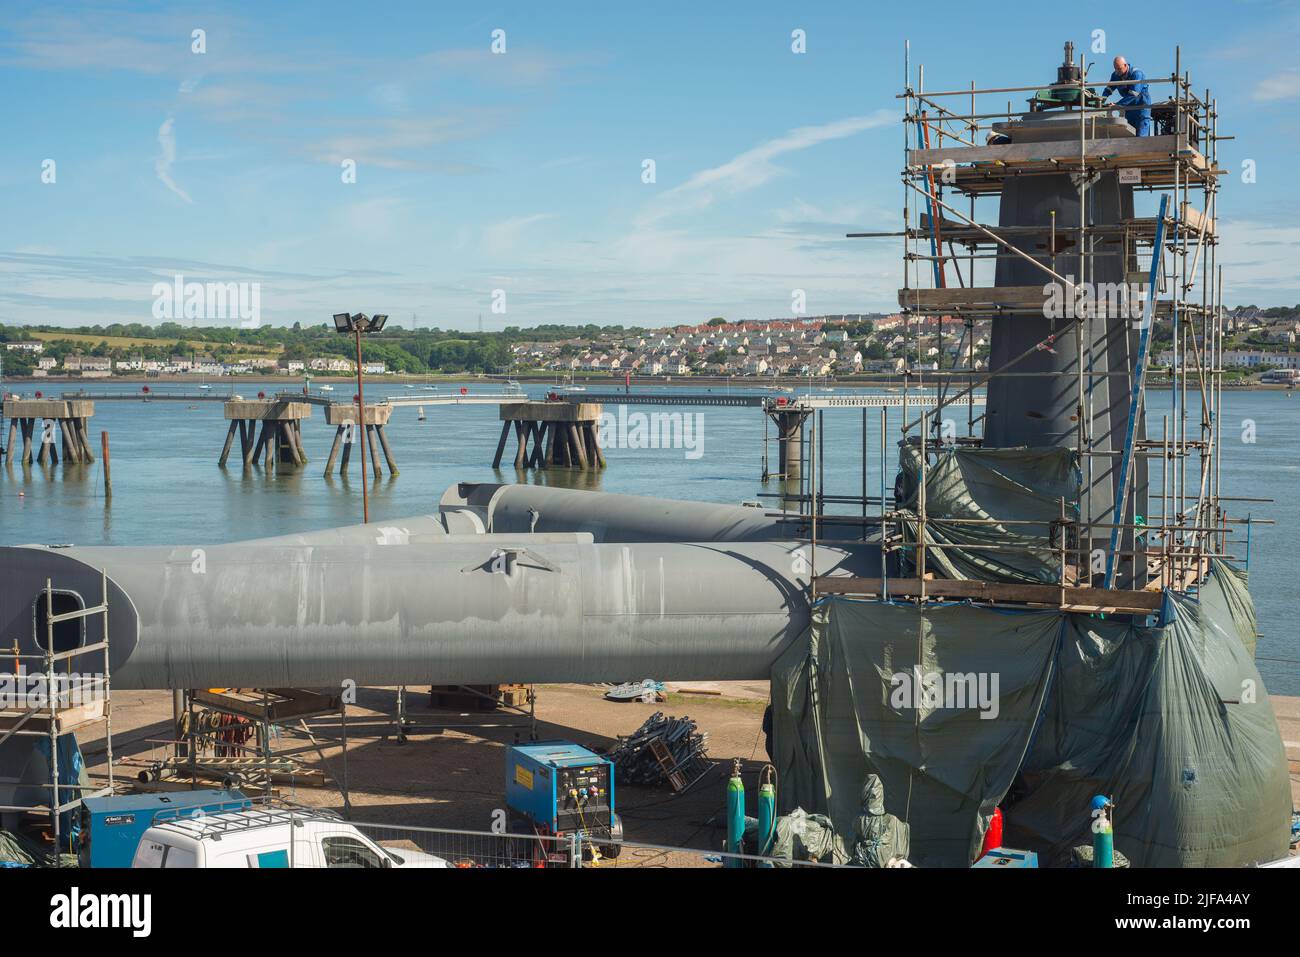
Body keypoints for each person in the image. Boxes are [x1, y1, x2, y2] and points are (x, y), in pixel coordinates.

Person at [1102, 56, 1152, 136]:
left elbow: (1134, 94)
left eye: (1119, 69)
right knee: (1130, 134)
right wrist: (1101, 100)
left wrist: (1118, 105)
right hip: (1129, 108)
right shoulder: (1115, 75)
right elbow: (1109, 89)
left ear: (1125, 65)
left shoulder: (1137, 74)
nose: (1117, 71)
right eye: (1115, 69)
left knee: (1142, 137)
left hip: (1141, 106)